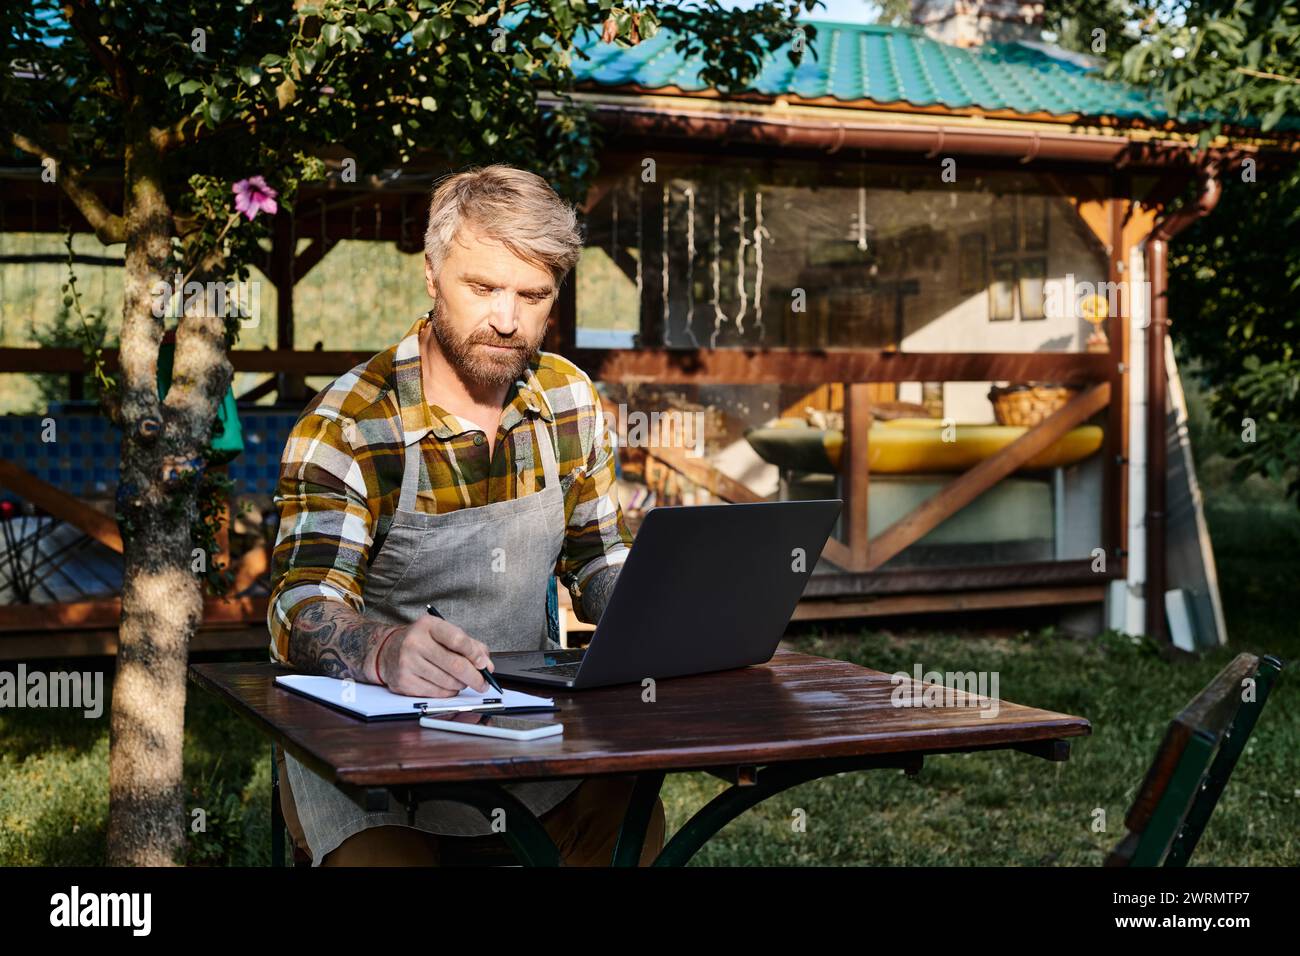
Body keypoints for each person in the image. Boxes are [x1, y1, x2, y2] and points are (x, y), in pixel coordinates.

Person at [267, 164, 664, 866]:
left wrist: (666, 610)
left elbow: (599, 556)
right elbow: (301, 604)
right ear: (432, 275)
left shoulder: (568, 398)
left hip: (532, 749)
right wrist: (382, 651)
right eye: (482, 287)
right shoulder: (351, 424)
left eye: (532, 294)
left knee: (637, 817)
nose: (507, 319)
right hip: (373, 773)